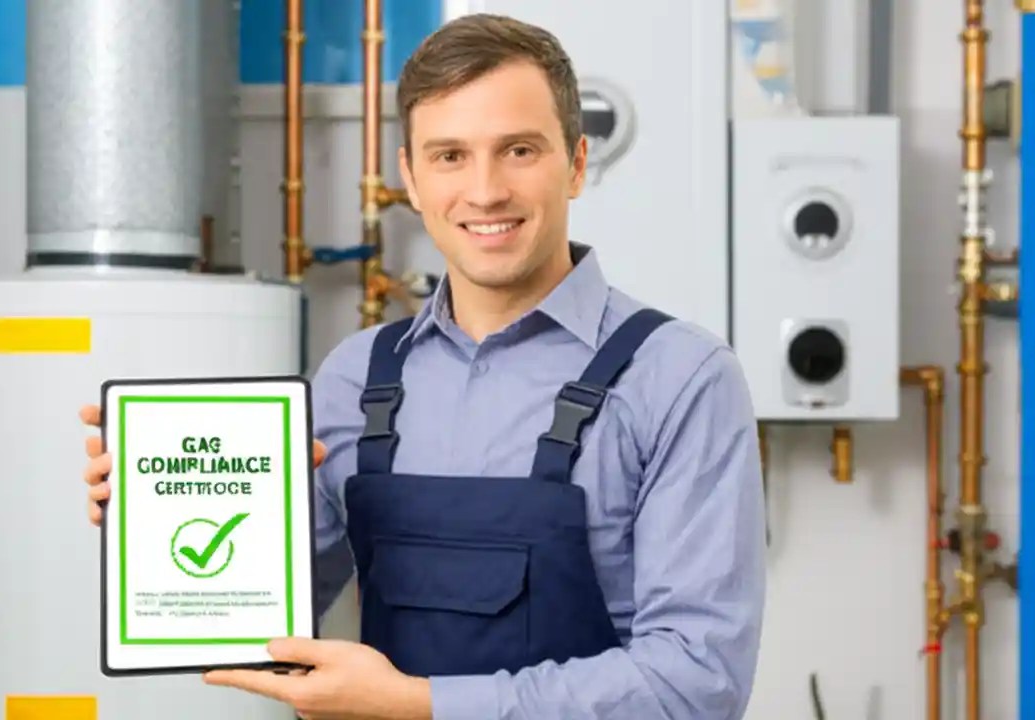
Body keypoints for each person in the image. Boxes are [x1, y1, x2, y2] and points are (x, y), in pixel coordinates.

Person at [82, 13, 765, 720]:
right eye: (449, 156)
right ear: (409, 176)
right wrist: (163, 519)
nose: (486, 190)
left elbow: (697, 684)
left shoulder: (681, 377)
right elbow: (262, 623)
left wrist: (420, 705)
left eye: (520, 150)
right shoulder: (357, 378)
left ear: (579, 163)